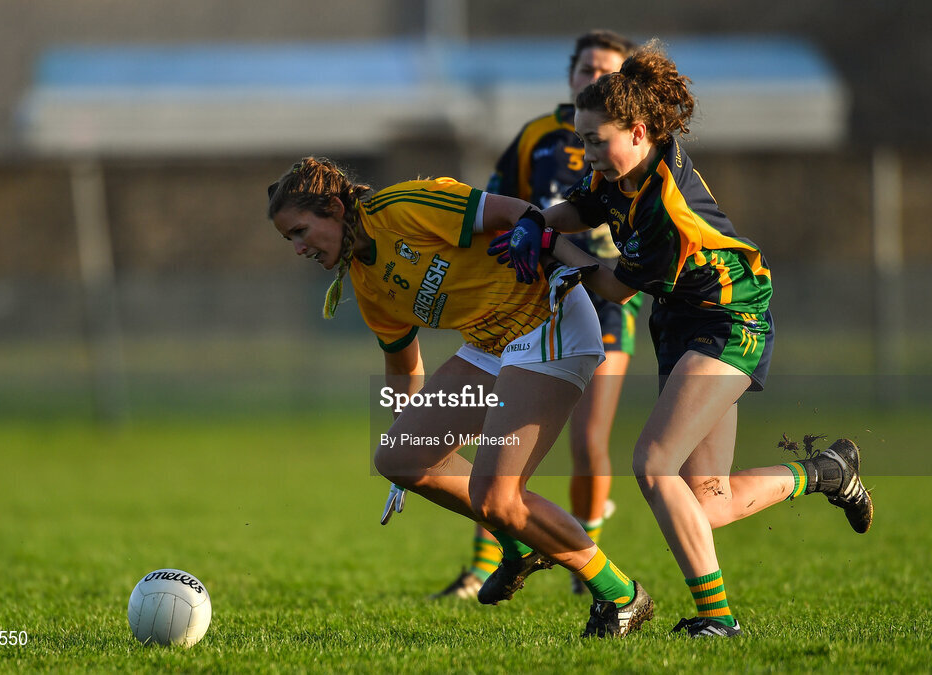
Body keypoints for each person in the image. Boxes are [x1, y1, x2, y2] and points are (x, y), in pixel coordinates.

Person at [489, 40, 874, 637]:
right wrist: (539, 219)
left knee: (652, 463)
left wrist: (549, 249)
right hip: (681, 323)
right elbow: (582, 208)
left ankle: (719, 620)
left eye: (596, 140)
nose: (586, 152)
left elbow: (614, 288)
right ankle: (825, 472)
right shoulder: (622, 172)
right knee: (709, 501)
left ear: (638, 131)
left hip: (729, 321)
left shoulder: (663, 207)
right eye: (581, 138)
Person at [268, 156, 655, 638]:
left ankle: (621, 595)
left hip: (549, 320)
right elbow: (403, 365)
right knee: (399, 457)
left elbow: (518, 212)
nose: (299, 247)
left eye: (301, 231)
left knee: (498, 499)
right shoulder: (366, 283)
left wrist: (533, 241)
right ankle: (517, 547)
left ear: (333, 207)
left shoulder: (402, 207)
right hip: (491, 345)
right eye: (291, 239)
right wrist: (408, 442)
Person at [433, 29, 643, 600]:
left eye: (608, 71)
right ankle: (484, 564)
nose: (594, 78)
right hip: (529, 293)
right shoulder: (538, 136)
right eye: (586, 70)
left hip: (602, 290)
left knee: (589, 439)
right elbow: (497, 202)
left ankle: (585, 562)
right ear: (571, 75)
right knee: (488, 430)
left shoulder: (636, 142)